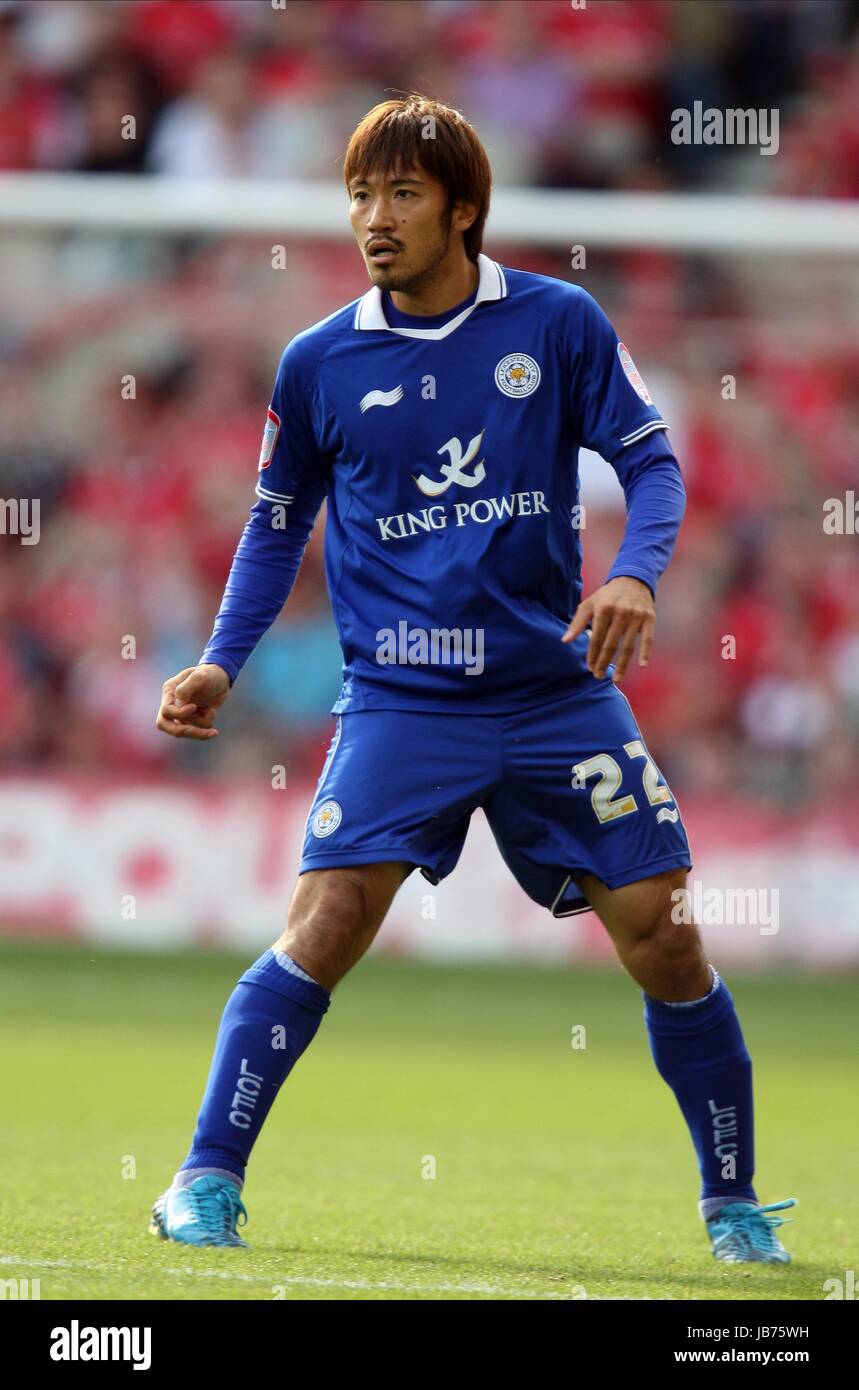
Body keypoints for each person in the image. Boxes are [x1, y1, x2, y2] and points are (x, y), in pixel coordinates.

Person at [151, 94, 795, 1263]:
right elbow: (275, 522)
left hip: (554, 692)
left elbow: (650, 465)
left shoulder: (557, 324)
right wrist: (217, 661)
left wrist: (637, 576)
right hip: (404, 697)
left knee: (666, 936)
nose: (373, 219)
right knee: (327, 921)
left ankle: (734, 1203)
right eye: (358, 194)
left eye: (401, 193)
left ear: (463, 209)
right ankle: (203, 1177)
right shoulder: (319, 363)